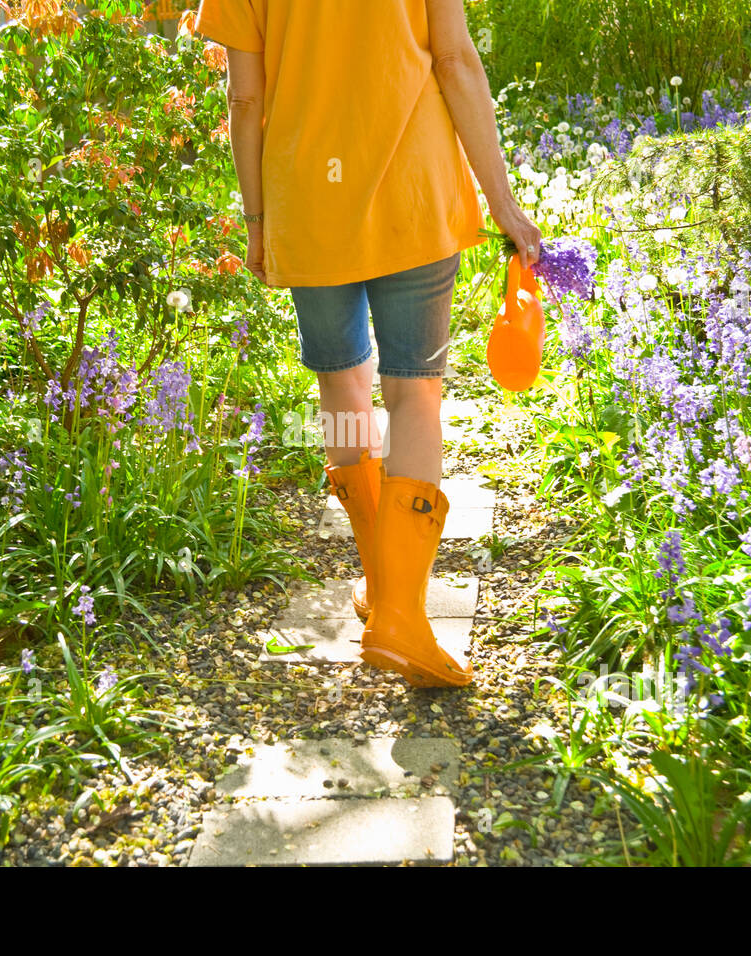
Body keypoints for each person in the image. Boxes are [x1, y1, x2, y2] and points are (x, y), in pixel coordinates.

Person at [195, 0, 540, 687]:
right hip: (415, 192)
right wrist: (502, 203)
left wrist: (258, 219)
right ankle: (402, 618)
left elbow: (244, 95)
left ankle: (383, 590)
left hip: (309, 203)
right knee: (414, 395)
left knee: (343, 387)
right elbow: (455, 60)